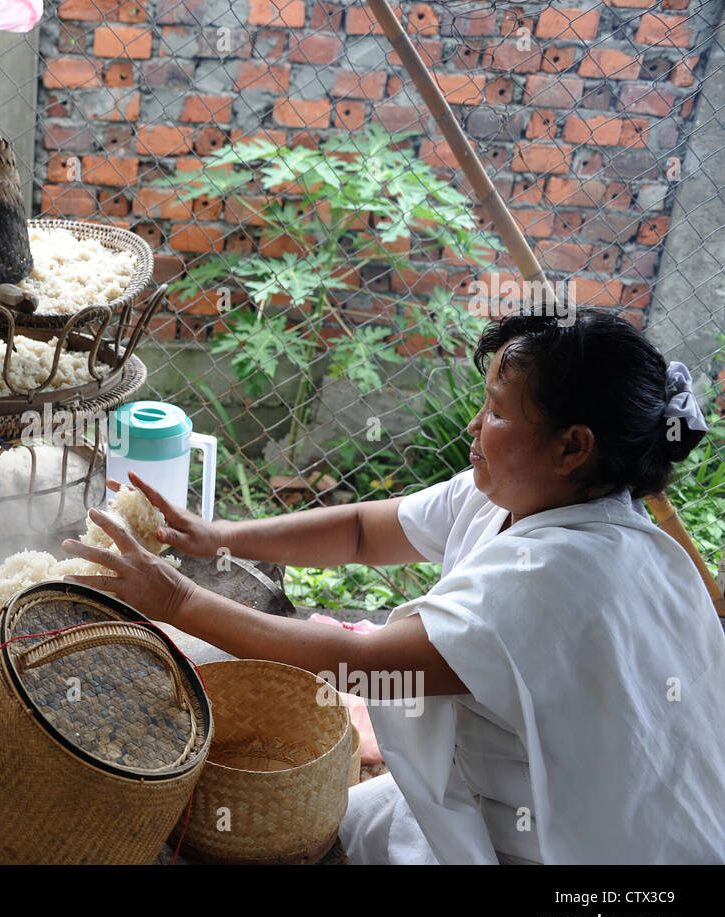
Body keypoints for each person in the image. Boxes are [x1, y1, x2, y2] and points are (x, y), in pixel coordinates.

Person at [61, 309, 725, 864]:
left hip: (596, 852)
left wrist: (175, 599)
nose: (472, 426)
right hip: (508, 784)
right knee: (335, 824)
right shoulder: (518, 493)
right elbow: (361, 530)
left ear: (572, 446)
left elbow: (366, 667)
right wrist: (221, 535)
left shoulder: (561, 577)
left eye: (494, 412)